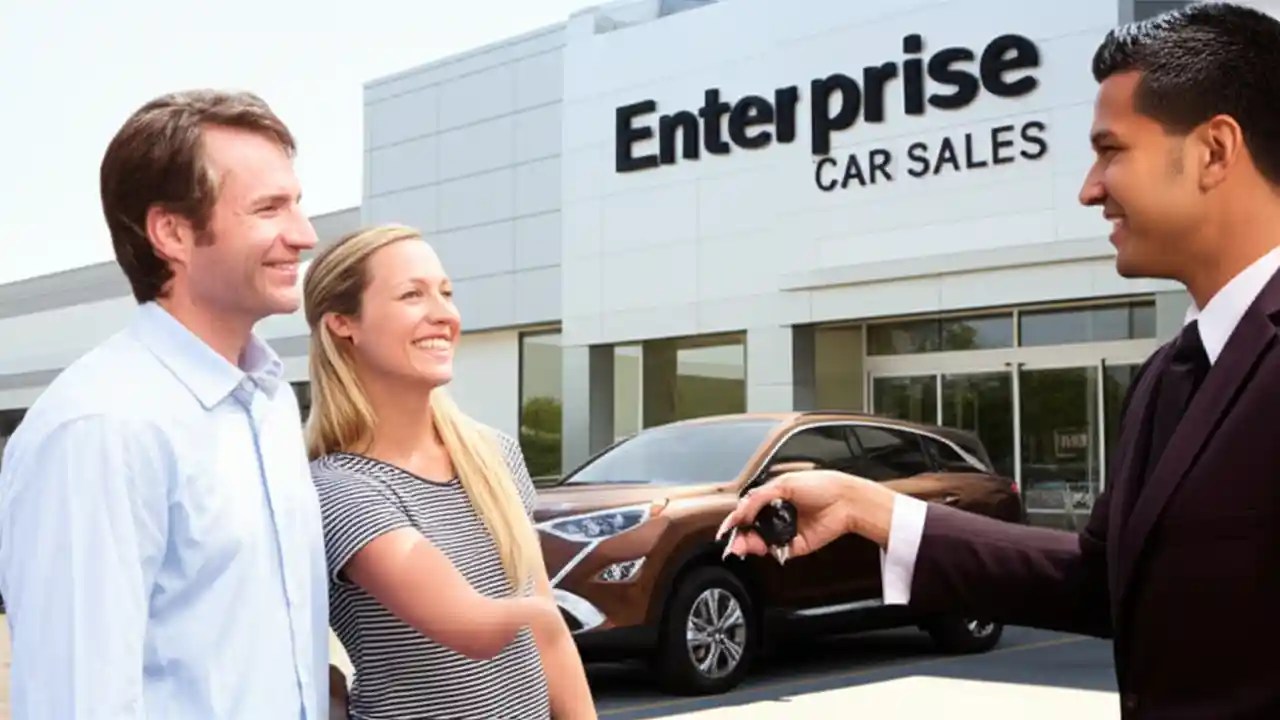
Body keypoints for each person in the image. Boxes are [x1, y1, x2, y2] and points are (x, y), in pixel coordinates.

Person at [720, 4, 1280, 718]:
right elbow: (1101, 584)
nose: (1090, 188)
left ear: (1214, 151)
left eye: (1111, 150)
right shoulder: (1167, 377)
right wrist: (870, 509)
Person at [0, 90, 330, 718]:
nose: (304, 235)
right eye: (269, 208)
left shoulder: (269, 403)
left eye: (296, 203)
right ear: (172, 233)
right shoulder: (99, 428)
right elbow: (79, 701)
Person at [302, 224, 596, 720]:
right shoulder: (339, 488)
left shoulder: (493, 455)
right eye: (412, 295)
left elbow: (549, 646)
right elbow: (472, 627)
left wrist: (545, 619)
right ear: (343, 324)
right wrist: (546, 613)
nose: (444, 315)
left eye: (446, 293)